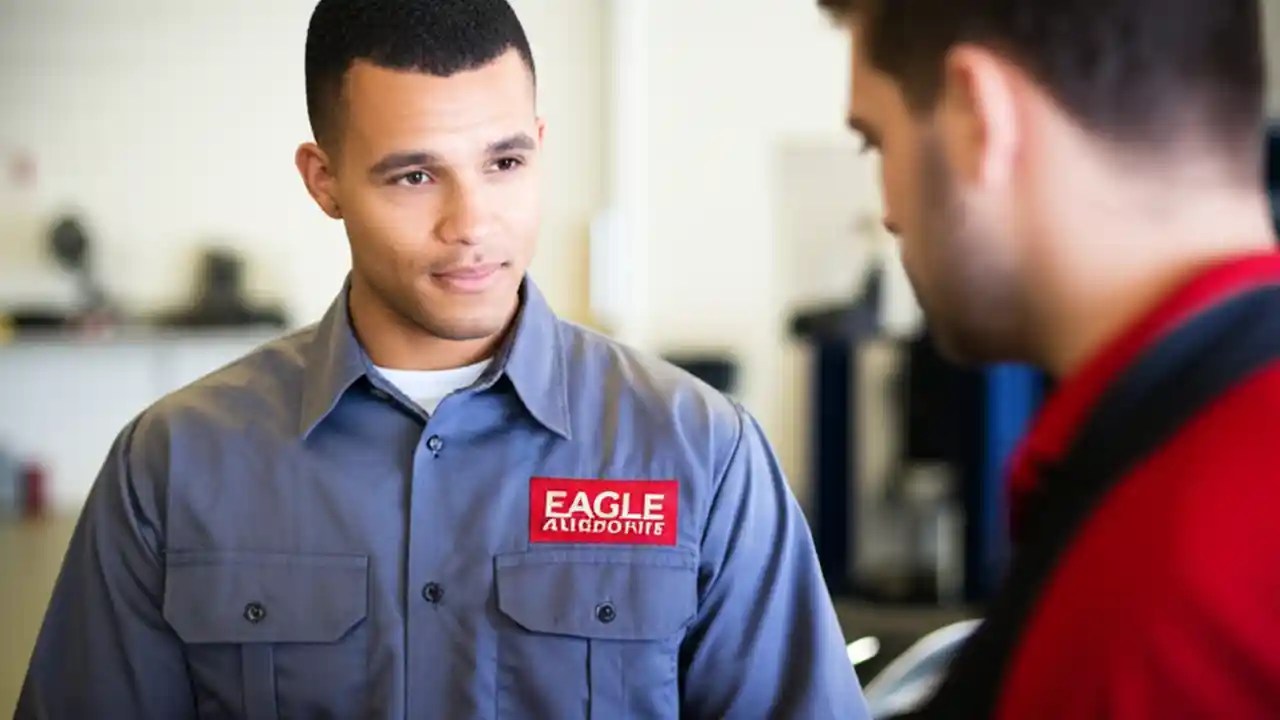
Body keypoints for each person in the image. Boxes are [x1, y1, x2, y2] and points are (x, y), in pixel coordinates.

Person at [17, 1, 869, 718]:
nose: (472, 222)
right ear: (324, 181)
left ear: (539, 143)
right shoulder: (173, 467)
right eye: (415, 177)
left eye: (504, 162)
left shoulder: (699, 453)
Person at [817, 0, 1280, 717]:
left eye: (877, 141)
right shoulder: (1173, 462)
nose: (889, 211)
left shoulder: (1160, 580)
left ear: (978, 116)